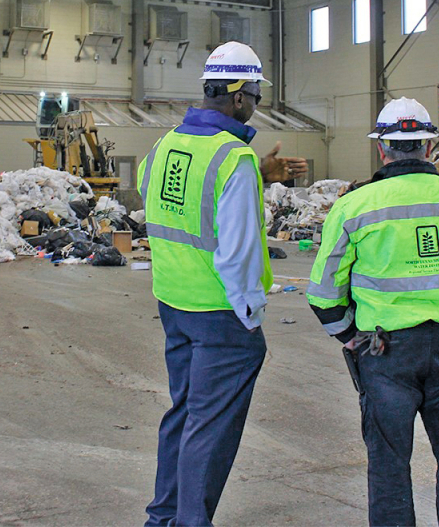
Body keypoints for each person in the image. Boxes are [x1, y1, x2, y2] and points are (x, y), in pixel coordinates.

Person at [306, 97, 439, 527]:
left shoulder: (355, 206)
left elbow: (323, 294)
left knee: (388, 463)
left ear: (382, 149)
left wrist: (348, 336)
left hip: (384, 351)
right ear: (430, 147)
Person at [140, 41, 307, 527]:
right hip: (220, 313)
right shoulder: (232, 158)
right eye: (255, 94)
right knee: (210, 430)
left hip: (174, 302)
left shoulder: (165, 145)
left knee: (184, 413)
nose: (256, 104)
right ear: (237, 96)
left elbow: (173, 213)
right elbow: (237, 252)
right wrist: (250, 311)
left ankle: (163, 517)